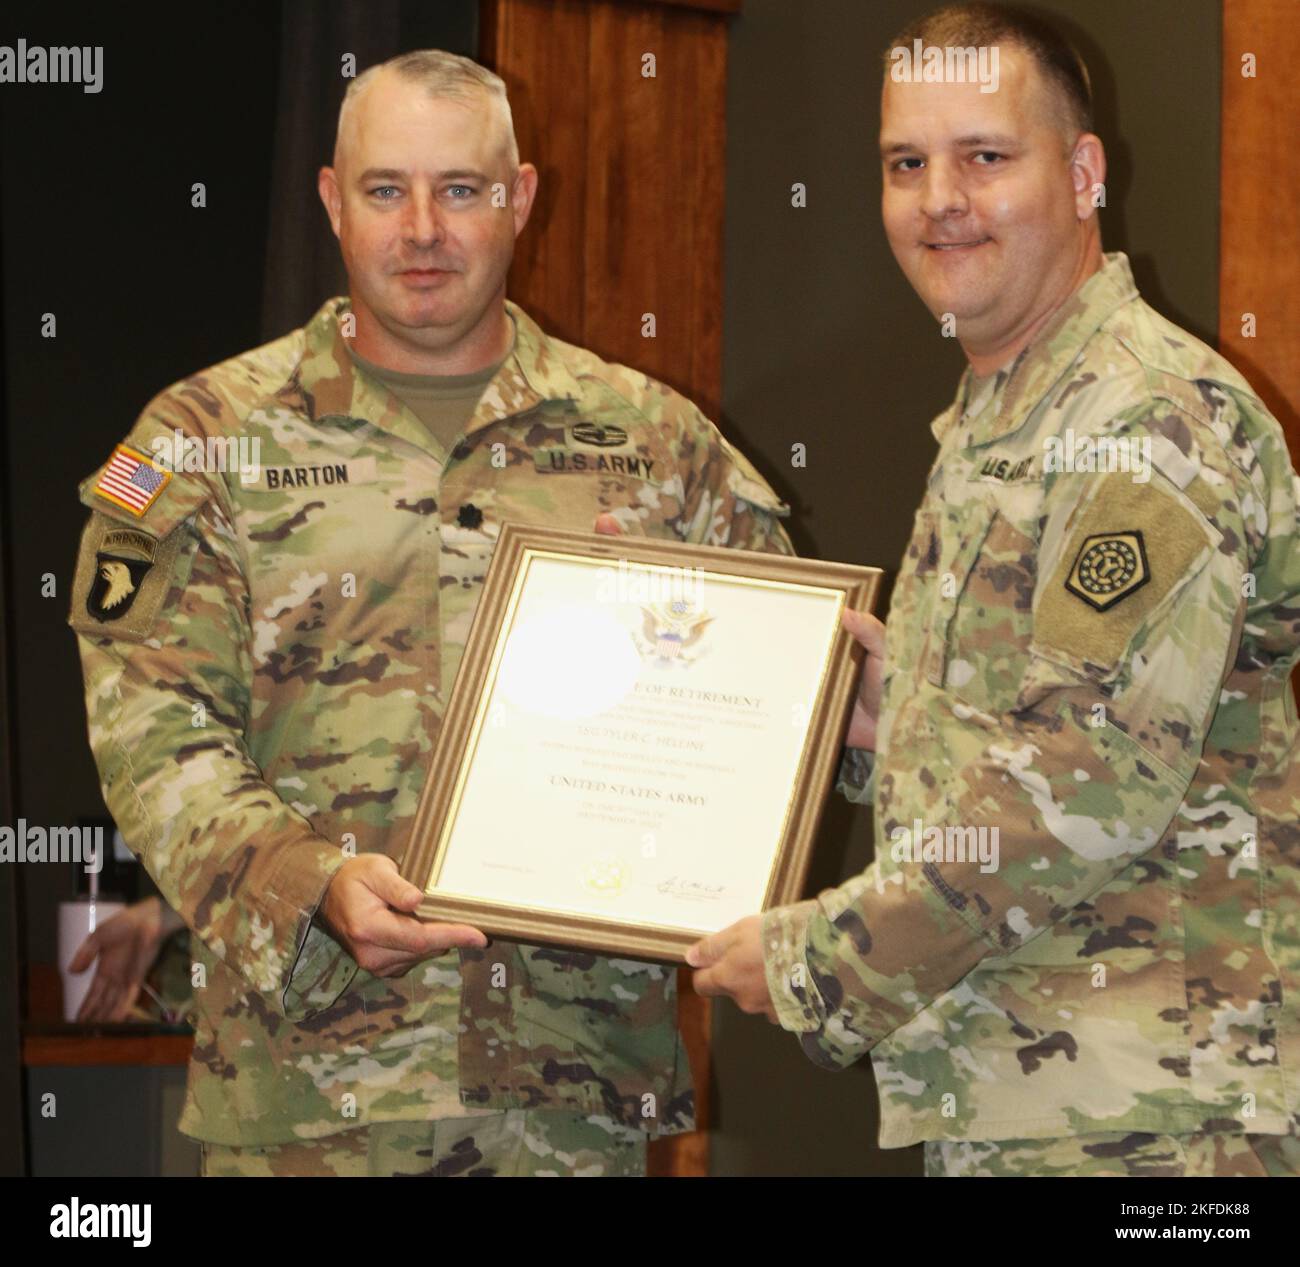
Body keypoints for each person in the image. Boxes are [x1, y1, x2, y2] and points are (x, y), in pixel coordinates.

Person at [68, 49, 795, 1177]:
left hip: (567, 1094)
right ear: (329, 200)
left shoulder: (656, 444)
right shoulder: (198, 438)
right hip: (305, 1097)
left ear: (522, 200)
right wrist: (310, 880)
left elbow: (785, 696)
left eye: (460, 189)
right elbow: (150, 730)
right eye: (384, 189)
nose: (422, 227)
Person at [689, 2, 1300, 1178]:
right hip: (1030, 1092)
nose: (938, 201)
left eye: (984, 157)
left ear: (1081, 173)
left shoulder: (1147, 418)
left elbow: (1082, 778)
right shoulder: (1004, 414)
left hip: (1150, 1122)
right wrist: (882, 714)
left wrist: (823, 956)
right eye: (904, 164)